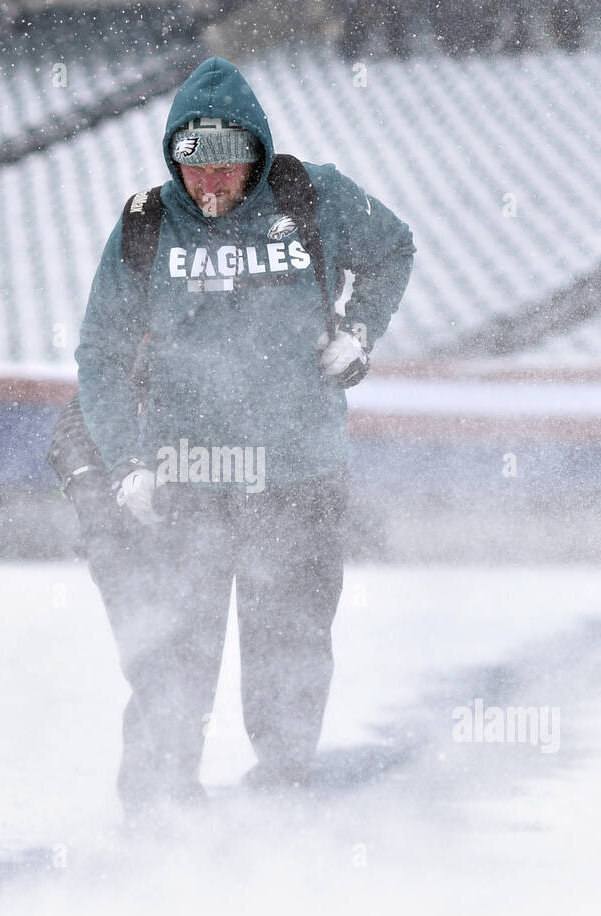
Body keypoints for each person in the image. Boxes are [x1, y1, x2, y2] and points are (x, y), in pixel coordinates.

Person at [73, 56, 415, 822]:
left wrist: (359, 331)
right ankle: (159, 808)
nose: (212, 184)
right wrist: (127, 462)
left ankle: (281, 798)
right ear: (174, 159)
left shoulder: (312, 195)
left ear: (255, 153)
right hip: (185, 477)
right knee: (172, 651)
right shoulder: (144, 225)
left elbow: (395, 248)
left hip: (298, 473)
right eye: (194, 167)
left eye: (226, 164)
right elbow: (99, 354)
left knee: (291, 645)